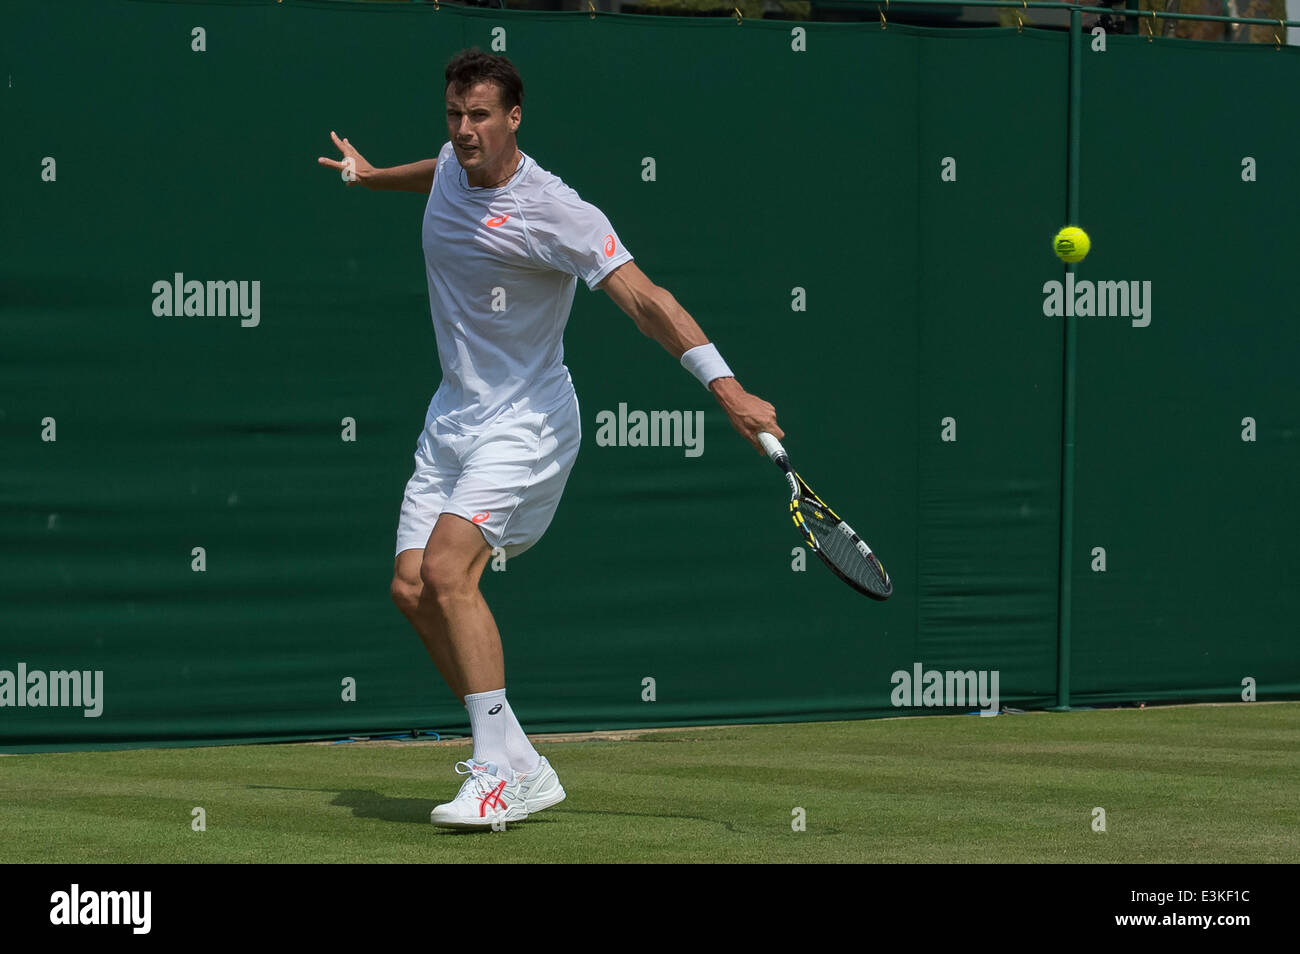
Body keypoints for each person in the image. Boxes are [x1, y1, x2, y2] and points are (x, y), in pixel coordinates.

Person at [318, 48, 782, 829]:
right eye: (454, 115)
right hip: (452, 419)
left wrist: (726, 387)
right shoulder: (449, 161)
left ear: (514, 118)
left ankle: (495, 774)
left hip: (529, 421)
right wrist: (368, 178)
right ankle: (521, 760)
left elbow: (645, 301)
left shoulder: (557, 211)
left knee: (447, 568)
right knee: (410, 589)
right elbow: (435, 175)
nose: (464, 131)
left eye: (480, 117)